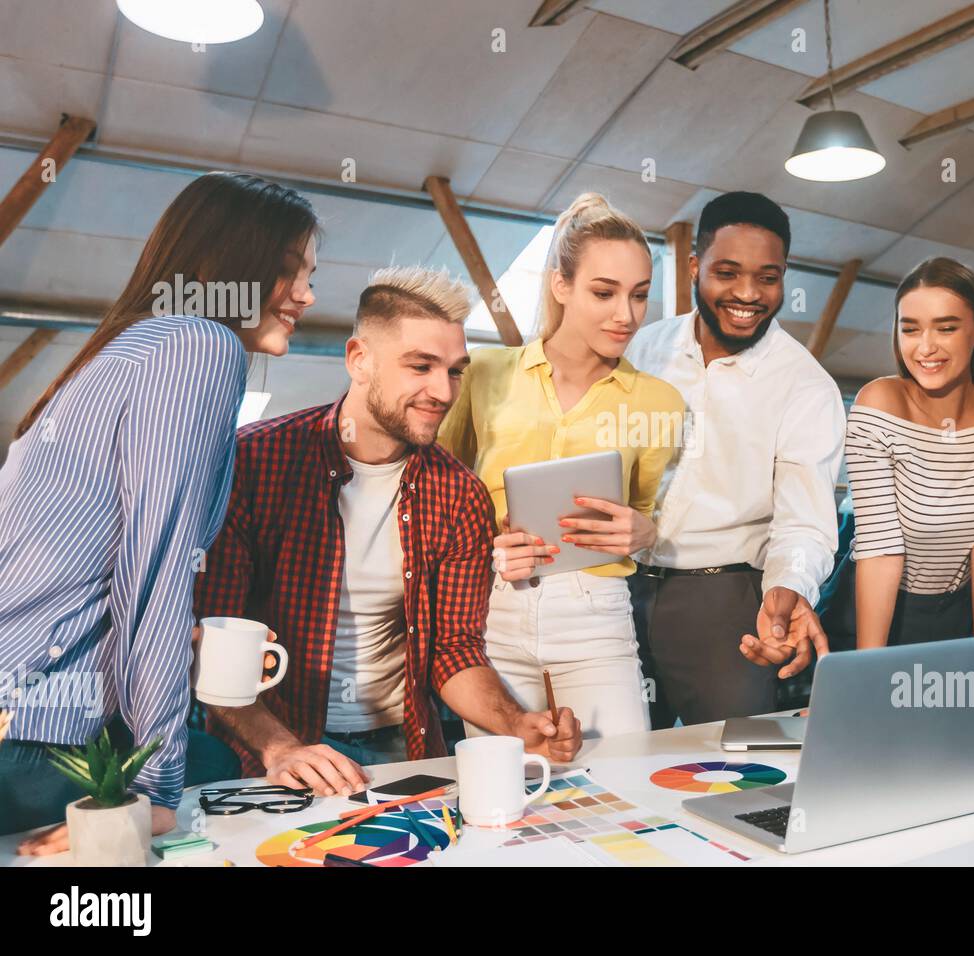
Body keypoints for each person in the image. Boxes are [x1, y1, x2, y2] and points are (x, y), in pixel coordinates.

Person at [0, 172, 320, 851]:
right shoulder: (201, 346)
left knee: (212, 757)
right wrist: (150, 791)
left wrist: (192, 640)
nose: (306, 296)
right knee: (216, 777)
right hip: (30, 733)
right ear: (231, 263)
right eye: (289, 271)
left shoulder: (119, 351)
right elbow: (154, 570)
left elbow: (77, 567)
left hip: (22, 709)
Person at [193, 267, 581, 794]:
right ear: (359, 360)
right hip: (273, 745)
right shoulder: (254, 462)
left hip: (403, 747)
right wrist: (279, 748)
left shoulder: (460, 494)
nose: (442, 391)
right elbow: (216, 639)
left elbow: (454, 648)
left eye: (455, 371)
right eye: (420, 366)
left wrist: (516, 724)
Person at [440, 194, 685, 740]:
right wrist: (487, 543)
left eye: (639, 296)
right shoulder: (482, 373)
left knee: (622, 785)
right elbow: (441, 493)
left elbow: (640, 514)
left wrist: (646, 533)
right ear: (561, 286)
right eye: (604, 292)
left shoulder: (660, 402)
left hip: (596, 613)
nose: (626, 315)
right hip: (493, 607)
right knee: (506, 787)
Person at [625, 191, 842, 728]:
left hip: (726, 601)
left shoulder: (806, 385)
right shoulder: (640, 351)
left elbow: (806, 522)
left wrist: (787, 591)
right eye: (728, 272)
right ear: (695, 267)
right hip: (617, 587)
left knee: (731, 774)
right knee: (609, 763)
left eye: (768, 278)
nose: (748, 294)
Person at [847, 257, 974, 647]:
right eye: (910, 330)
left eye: (946, 328)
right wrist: (866, 674)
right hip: (872, 611)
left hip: (958, 614)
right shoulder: (878, 405)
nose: (926, 347)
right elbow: (881, 550)